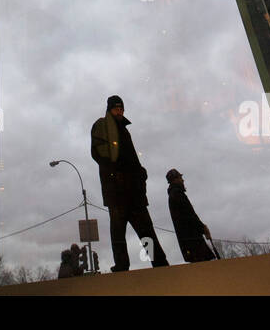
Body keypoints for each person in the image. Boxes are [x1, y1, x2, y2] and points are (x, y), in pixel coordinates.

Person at [90, 94, 169, 271]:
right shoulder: (101, 125)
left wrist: (140, 173)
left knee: (146, 230)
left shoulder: (124, 130)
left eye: (122, 108)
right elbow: (98, 153)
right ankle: (122, 265)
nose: (120, 111)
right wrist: (115, 172)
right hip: (117, 191)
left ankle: (160, 263)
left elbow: (131, 157)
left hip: (134, 190)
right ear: (110, 109)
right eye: (117, 108)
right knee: (118, 232)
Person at [166, 169, 217, 262]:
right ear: (175, 179)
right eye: (180, 177)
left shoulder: (174, 194)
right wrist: (203, 228)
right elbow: (190, 215)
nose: (183, 180)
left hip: (189, 243)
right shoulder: (177, 194)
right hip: (193, 243)